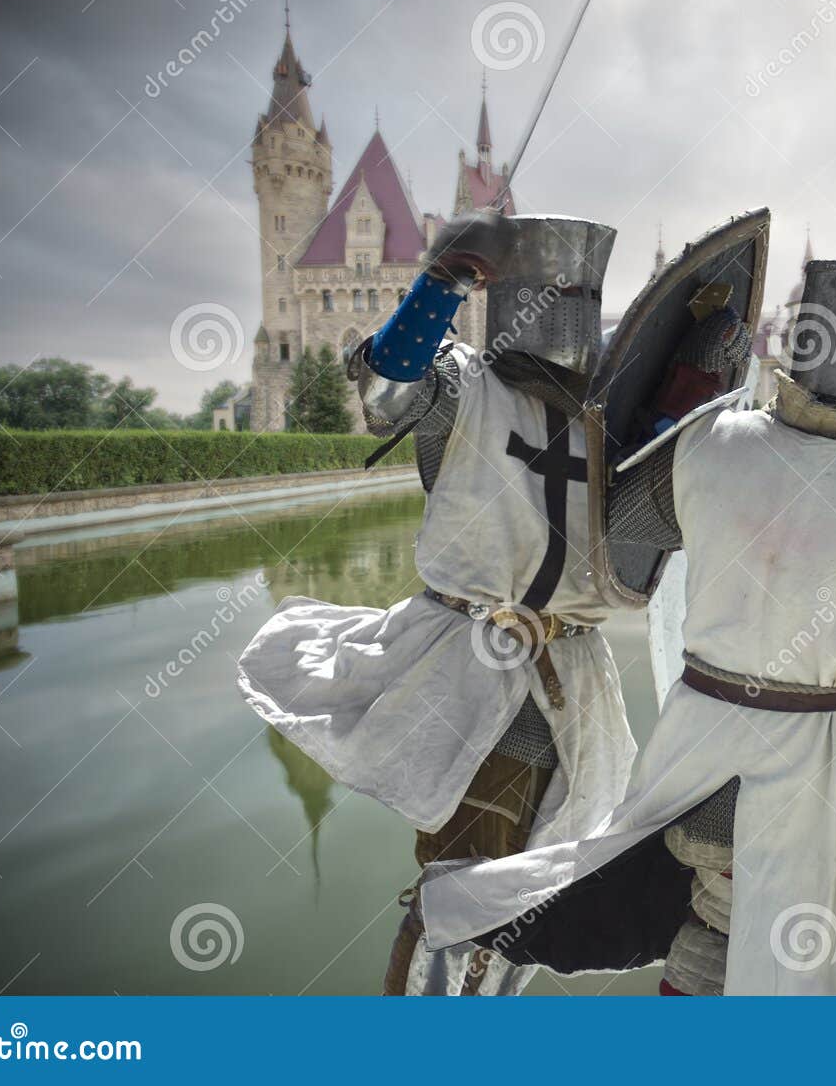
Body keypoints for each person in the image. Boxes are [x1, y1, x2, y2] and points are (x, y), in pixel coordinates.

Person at [414, 259, 836, 995]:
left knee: (717, 928)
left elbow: (623, 534)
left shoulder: (707, 443)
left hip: (700, 771)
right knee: (813, 974)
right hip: (831, 790)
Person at [239, 212, 661, 994]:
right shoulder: (468, 383)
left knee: (536, 885)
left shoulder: (614, 419)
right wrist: (440, 283)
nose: (563, 307)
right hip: (473, 674)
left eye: (574, 293)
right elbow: (388, 384)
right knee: (466, 884)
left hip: (574, 679)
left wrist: (693, 379)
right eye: (554, 290)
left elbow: (649, 536)